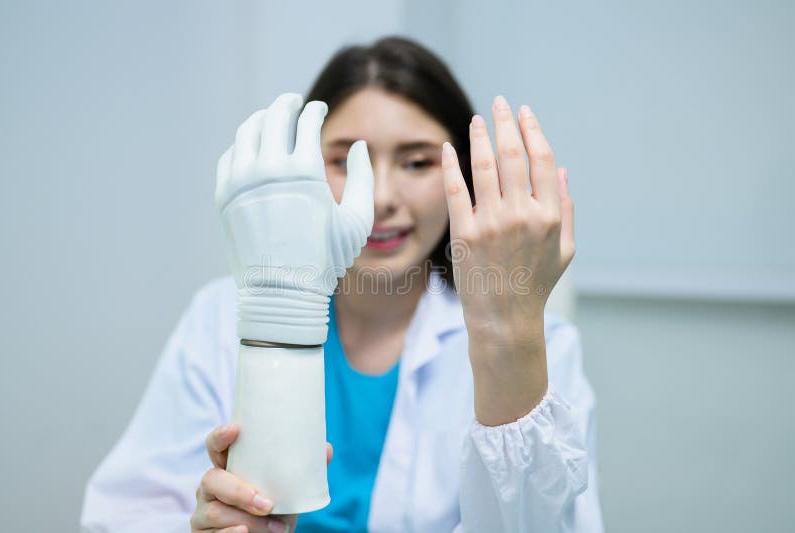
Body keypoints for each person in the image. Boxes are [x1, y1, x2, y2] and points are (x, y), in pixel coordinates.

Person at [81, 36, 603, 533]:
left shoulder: (540, 345)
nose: (378, 198)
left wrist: (506, 339)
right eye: (344, 160)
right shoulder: (219, 316)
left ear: (461, 175)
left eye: (417, 162)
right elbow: (125, 514)